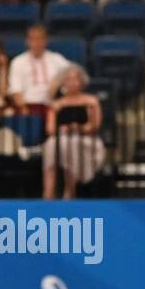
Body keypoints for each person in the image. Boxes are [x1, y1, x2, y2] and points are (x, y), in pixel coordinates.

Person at [42, 65, 105, 200]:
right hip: (61, 138)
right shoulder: (56, 104)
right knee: (52, 145)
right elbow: (50, 129)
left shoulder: (91, 101)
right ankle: (48, 193)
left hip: (86, 139)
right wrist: (62, 130)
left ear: (81, 82)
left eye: (75, 79)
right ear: (63, 83)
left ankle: (70, 191)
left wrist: (78, 128)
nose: (72, 82)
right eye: (68, 79)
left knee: (69, 145)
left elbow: (94, 126)